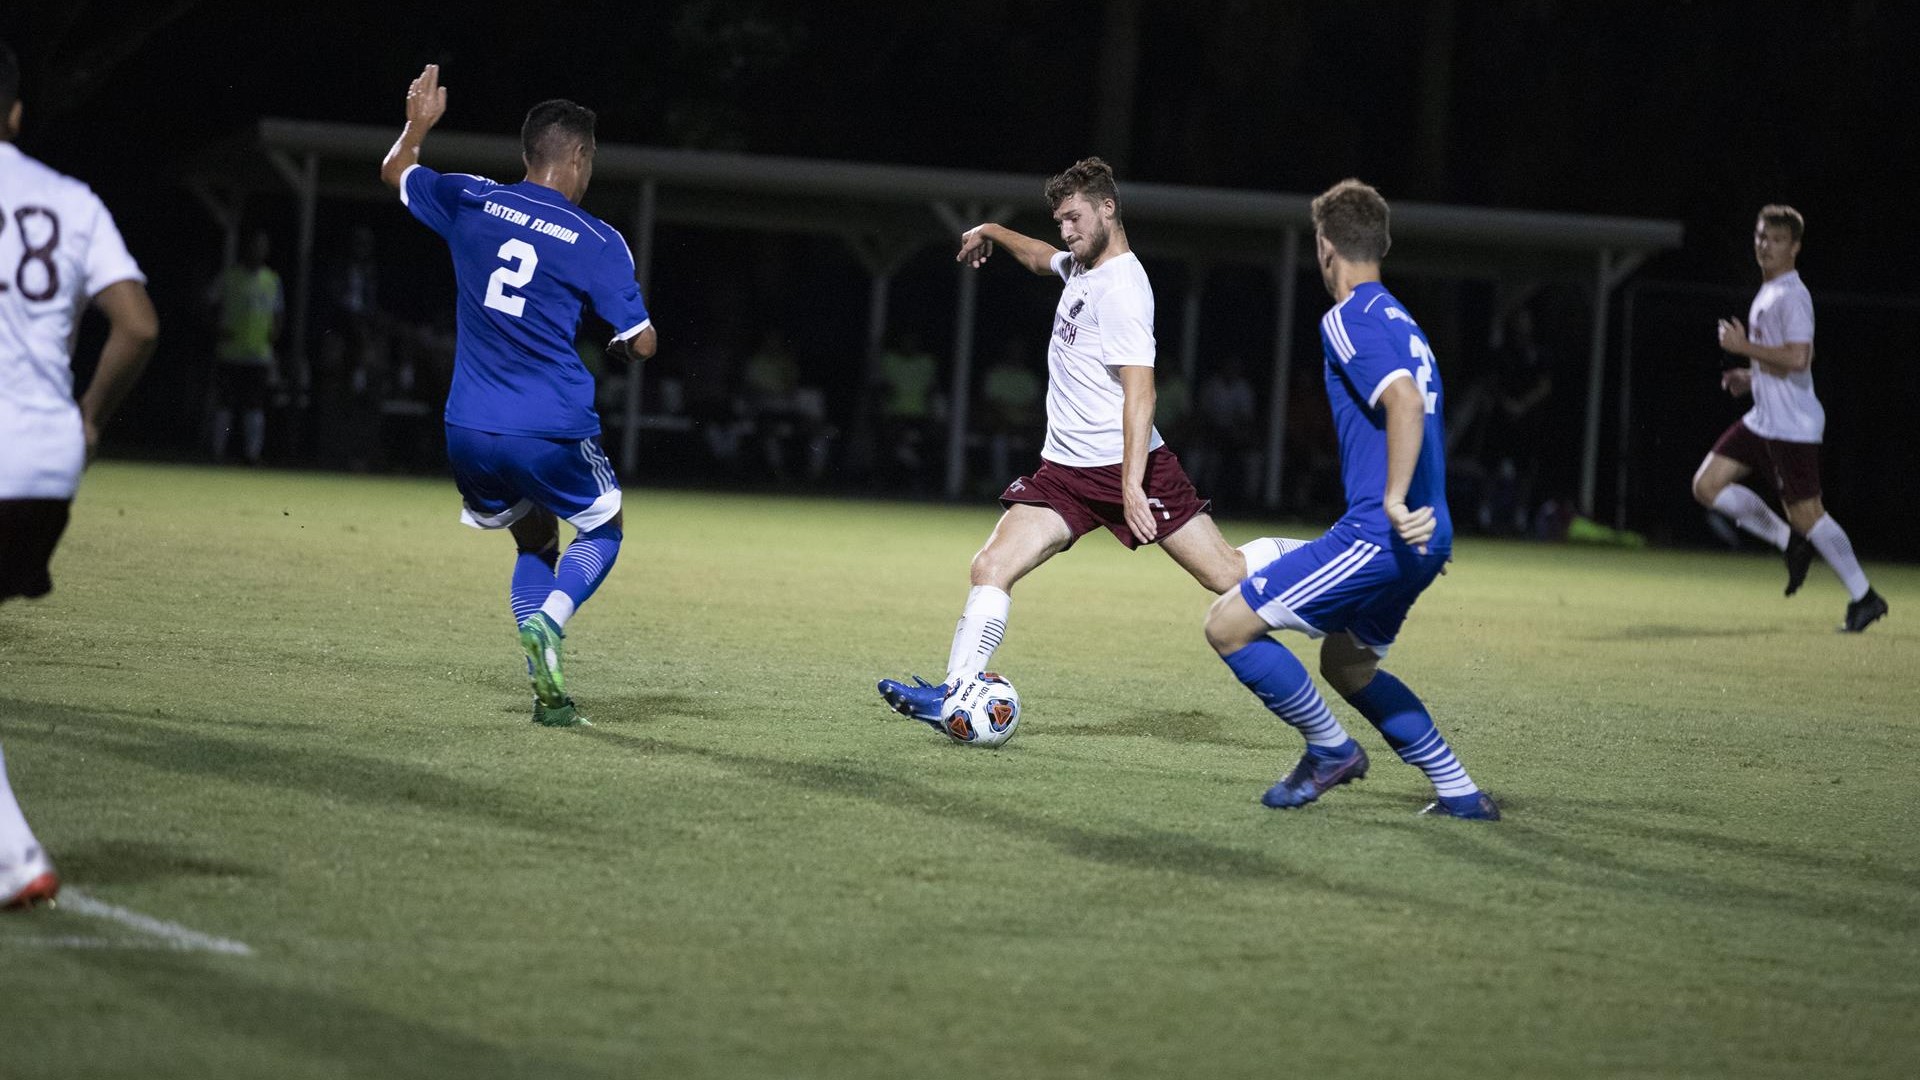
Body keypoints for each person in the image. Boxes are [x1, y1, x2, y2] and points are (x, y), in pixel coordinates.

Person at [876, 158, 1291, 728]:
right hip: (1064, 473)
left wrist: (1130, 485)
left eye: (1074, 218)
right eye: (1060, 221)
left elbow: (1141, 393)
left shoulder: (1123, 288)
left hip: (1130, 466)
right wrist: (991, 232)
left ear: (1107, 208)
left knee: (1228, 576)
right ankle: (954, 691)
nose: (1065, 231)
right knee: (991, 565)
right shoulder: (1080, 267)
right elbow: (1035, 255)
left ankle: (1334, 558)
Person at [1202, 179, 1498, 819]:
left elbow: (1405, 403)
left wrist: (1393, 500)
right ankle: (1460, 794)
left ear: (1324, 245)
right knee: (1348, 662)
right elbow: (1418, 408)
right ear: (1381, 244)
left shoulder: (1347, 318)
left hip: (1381, 533)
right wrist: (1423, 520)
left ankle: (1331, 749)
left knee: (1227, 625)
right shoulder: (1403, 320)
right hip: (1425, 534)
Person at [381, 65, 657, 726]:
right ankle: (552, 624)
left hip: (468, 428)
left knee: (535, 543)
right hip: (550, 427)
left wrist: (418, 125)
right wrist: (618, 346)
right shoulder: (595, 238)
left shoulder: (471, 200)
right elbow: (643, 341)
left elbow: (396, 171)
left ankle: (547, 687)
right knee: (604, 525)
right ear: (580, 157)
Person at [0, 37, 160, 905]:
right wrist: (89, 418)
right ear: (16, 113)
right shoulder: (68, 200)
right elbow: (135, 324)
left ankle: (18, 857)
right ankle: (13, 854)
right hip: (45, 462)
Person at [1691, 206, 1885, 633]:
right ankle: (1786, 541)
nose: (1766, 245)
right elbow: (1799, 355)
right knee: (1707, 486)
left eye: (1777, 240)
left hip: (1791, 427)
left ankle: (1864, 596)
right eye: (1762, 236)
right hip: (1764, 418)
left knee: (1809, 515)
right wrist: (1751, 376)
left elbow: (1799, 358)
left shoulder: (1792, 295)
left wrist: (1744, 349)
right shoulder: (1770, 291)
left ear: (1795, 247)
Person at [205, 229, 283, 464]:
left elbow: (279, 314)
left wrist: (275, 334)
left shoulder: (272, 280)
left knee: (254, 406)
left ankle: (252, 455)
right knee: (225, 404)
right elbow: (207, 303)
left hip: (259, 354)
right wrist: (215, 329)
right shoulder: (230, 277)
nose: (258, 250)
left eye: (263, 246)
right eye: (255, 245)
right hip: (230, 352)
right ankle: (217, 453)